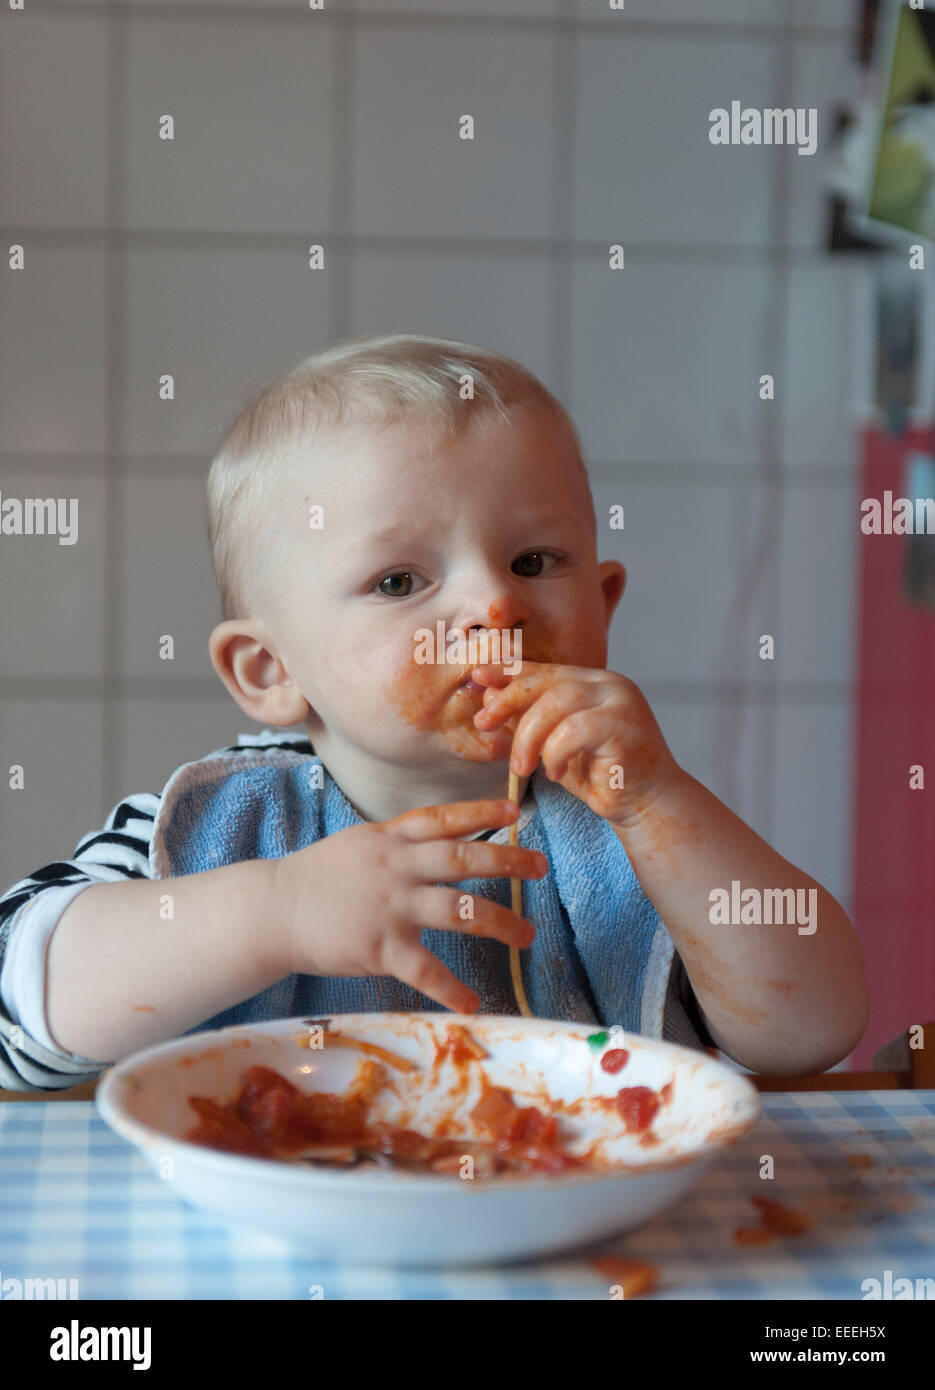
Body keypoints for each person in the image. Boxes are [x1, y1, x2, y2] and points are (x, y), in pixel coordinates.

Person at [0, 333, 868, 1092]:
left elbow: (811, 1034)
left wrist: (659, 803)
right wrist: (278, 909)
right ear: (269, 669)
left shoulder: (631, 831)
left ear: (602, 607)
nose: (495, 604)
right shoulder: (215, 830)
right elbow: (16, 1001)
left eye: (534, 560)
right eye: (399, 582)